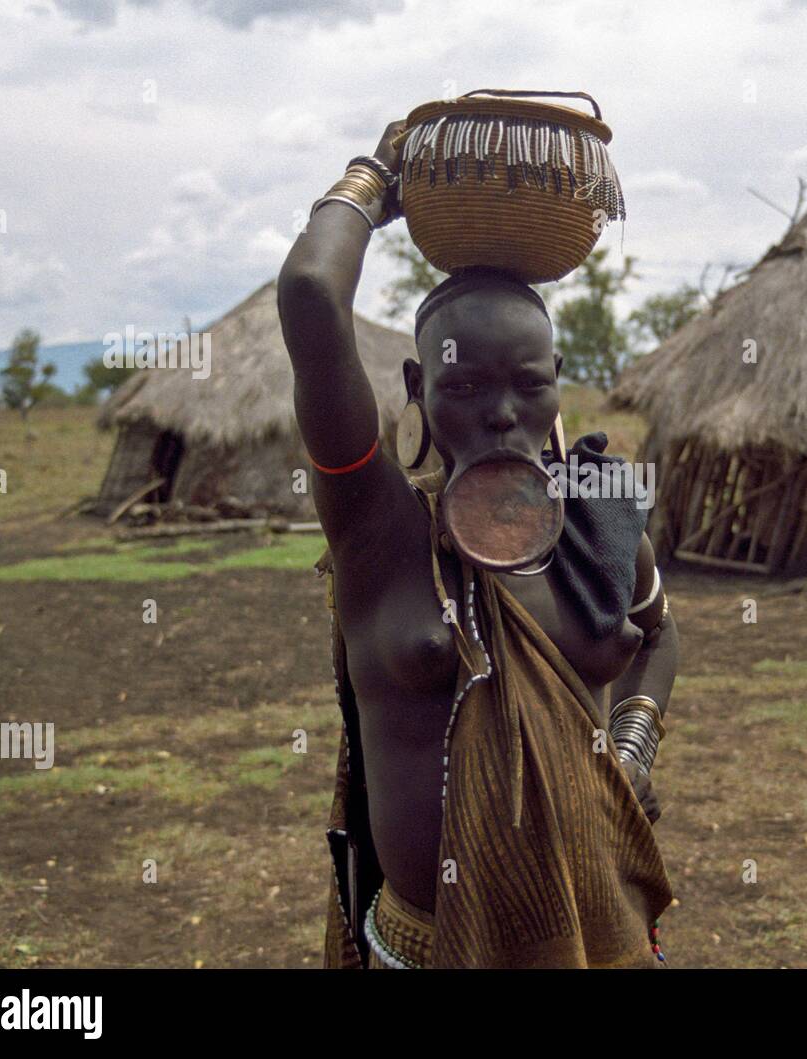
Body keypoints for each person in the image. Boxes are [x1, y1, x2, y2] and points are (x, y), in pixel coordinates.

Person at [276, 120, 677, 968]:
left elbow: (660, 634)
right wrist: (375, 178)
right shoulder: (378, 532)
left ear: (558, 382)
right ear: (418, 389)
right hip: (428, 949)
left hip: (598, 934)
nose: (501, 412)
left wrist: (635, 744)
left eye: (529, 384)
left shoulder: (599, 515)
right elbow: (313, 295)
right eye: (463, 385)